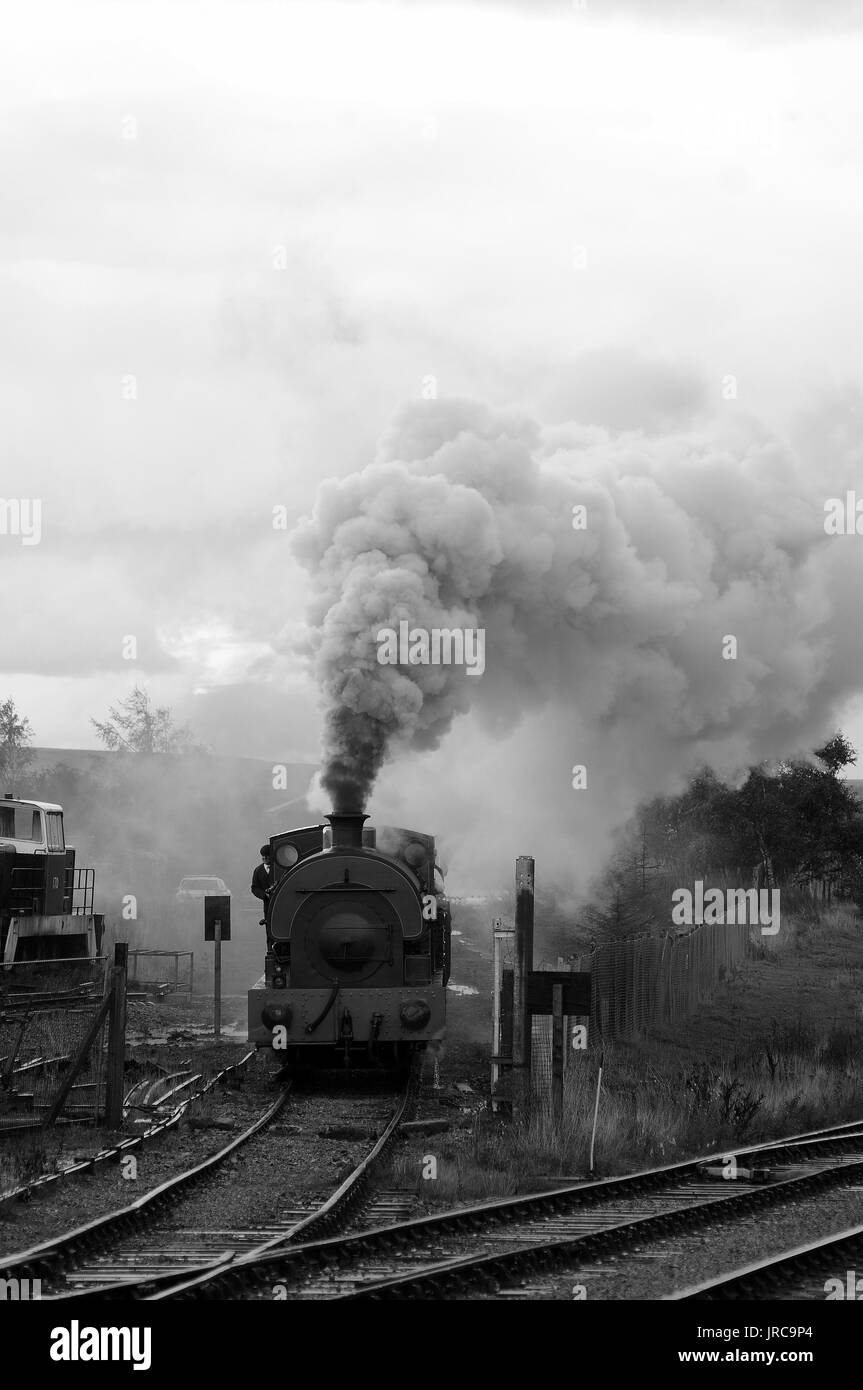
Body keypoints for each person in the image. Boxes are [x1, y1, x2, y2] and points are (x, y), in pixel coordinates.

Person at [251, 844, 273, 925]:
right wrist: (264, 895)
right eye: (263, 856)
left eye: (267, 856)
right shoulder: (258, 870)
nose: (264, 858)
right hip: (267, 905)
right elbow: (254, 888)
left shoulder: (279, 868)